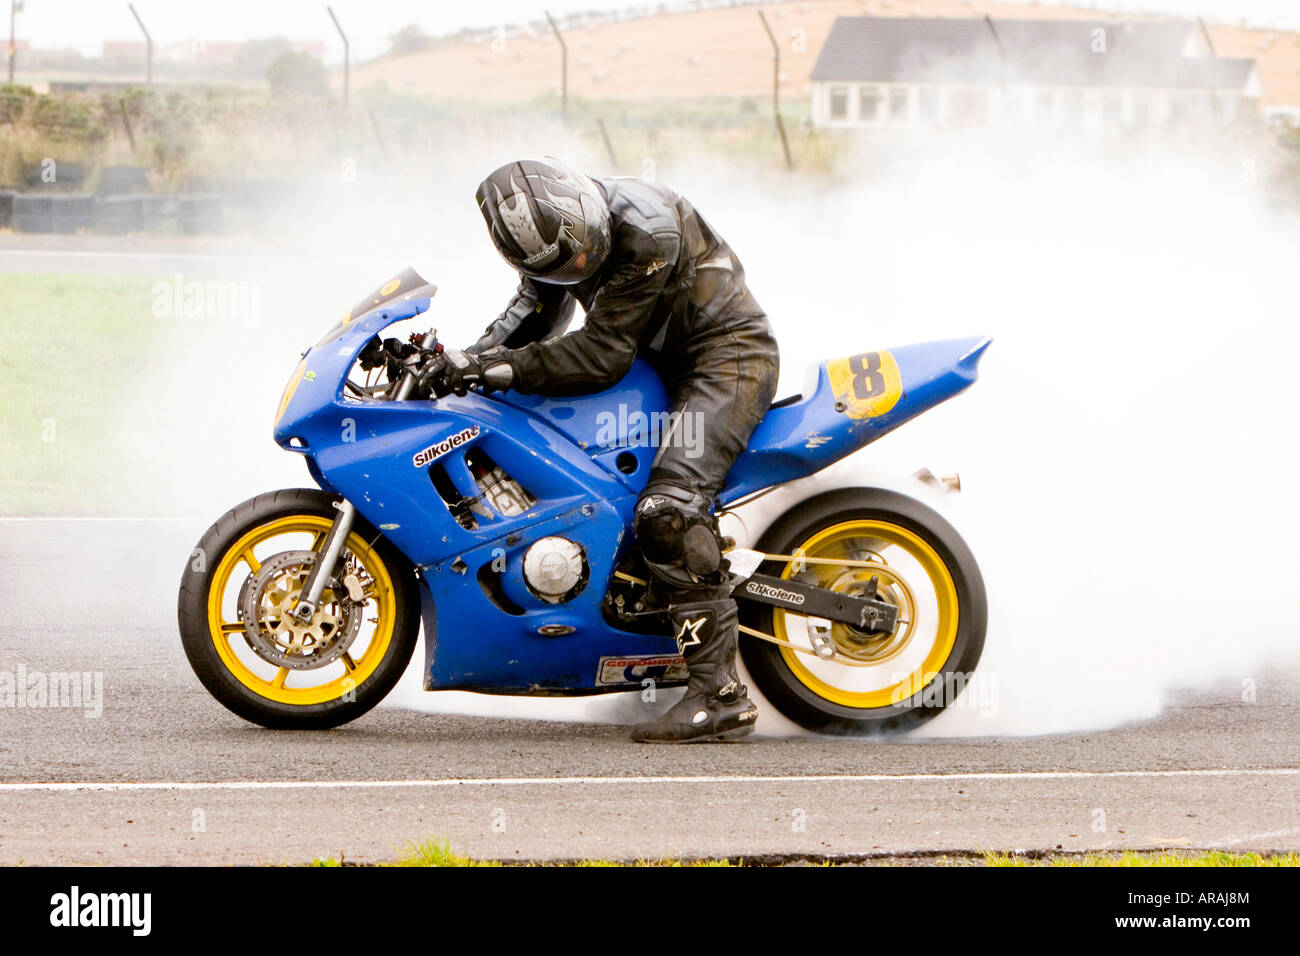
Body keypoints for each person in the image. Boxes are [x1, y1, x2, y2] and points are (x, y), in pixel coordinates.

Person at [436, 158, 778, 743]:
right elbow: (535, 311)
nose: (578, 269)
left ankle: (719, 697)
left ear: (587, 214)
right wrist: (460, 364)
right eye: (561, 268)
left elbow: (600, 356)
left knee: (667, 511)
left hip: (723, 360)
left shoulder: (648, 231)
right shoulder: (553, 244)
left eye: (583, 257)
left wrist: (496, 369)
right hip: (658, 369)